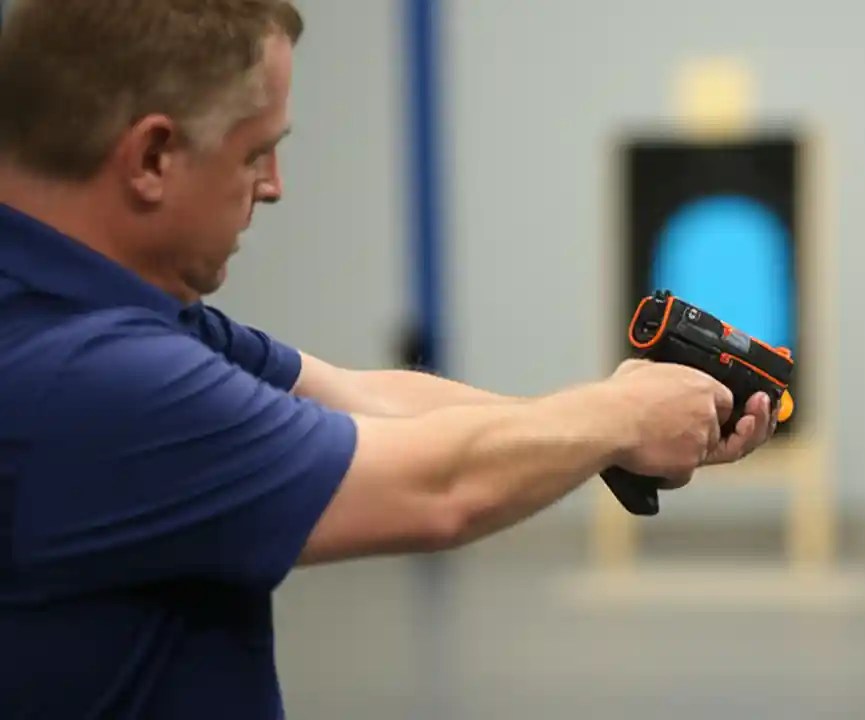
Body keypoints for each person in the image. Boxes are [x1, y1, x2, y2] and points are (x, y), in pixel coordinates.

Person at [0, 1, 778, 717]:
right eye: (256, 153)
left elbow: (359, 398)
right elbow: (439, 489)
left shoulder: (112, 314)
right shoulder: (86, 374)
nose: (273, 187)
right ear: (153, 157)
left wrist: (618, 419)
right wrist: (614, 419)